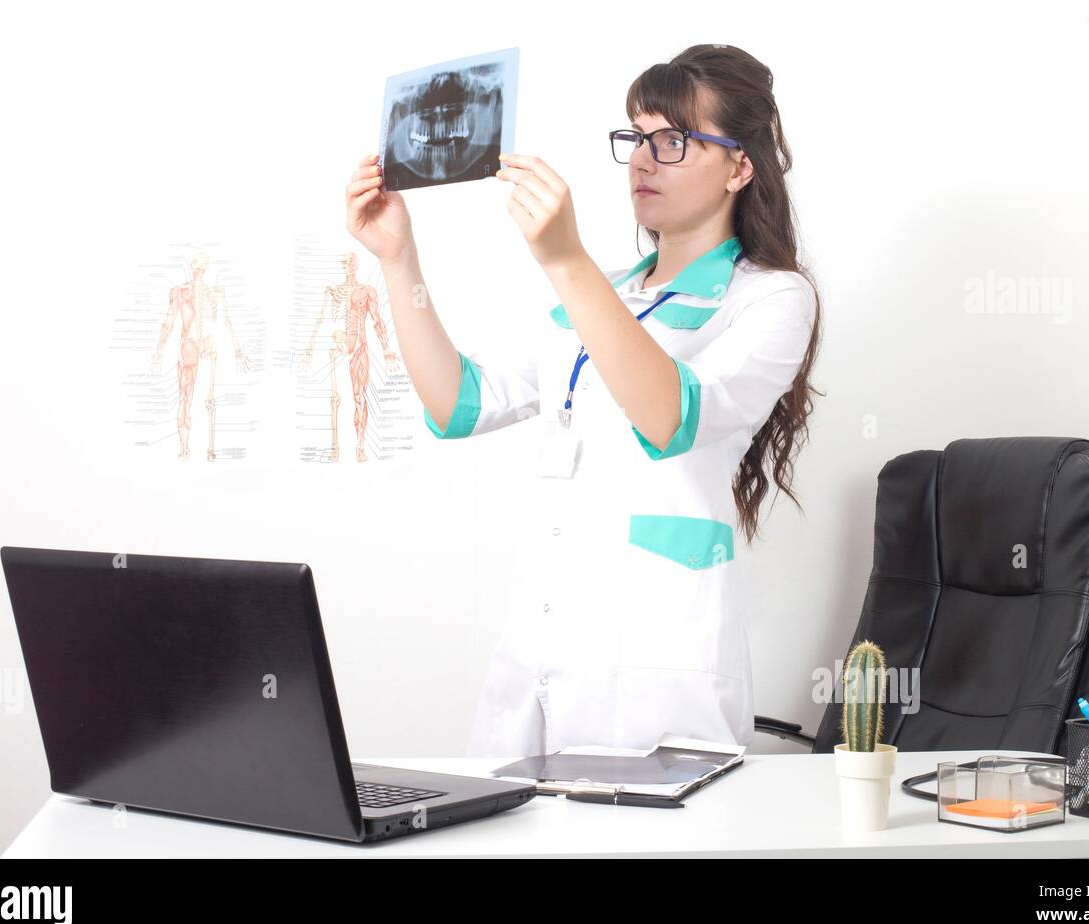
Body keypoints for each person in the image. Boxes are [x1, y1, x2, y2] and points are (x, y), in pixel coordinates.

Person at [345, 44, 822, 756]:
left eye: (673, 140)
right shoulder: (605, 292)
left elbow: (670, 418)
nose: (642, 160)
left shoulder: (772, 298)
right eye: (637, 137)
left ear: (739, 167)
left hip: (659, 672)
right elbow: (457, 405)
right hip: (539, 652)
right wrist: (396, 258)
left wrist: (566, 259)